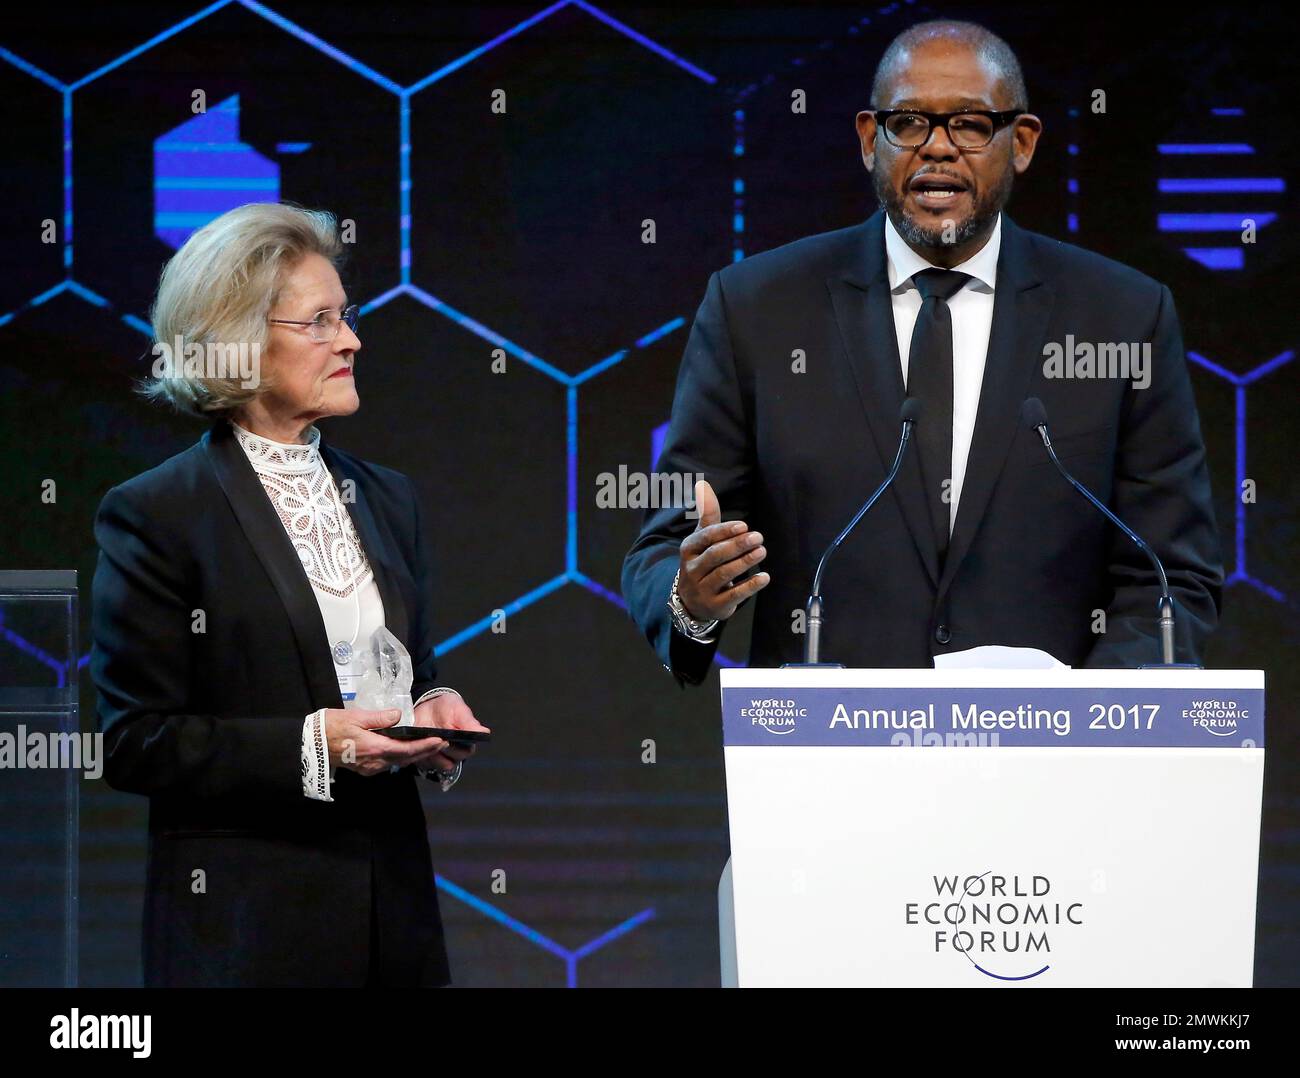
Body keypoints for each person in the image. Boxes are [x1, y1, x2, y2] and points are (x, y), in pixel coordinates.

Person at [622, 20, 1222, 681]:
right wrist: (692, 599)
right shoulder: (757, 307)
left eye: (969, 125)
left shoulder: (1123, 315)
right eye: (908, 124)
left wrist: (1084, 725)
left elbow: (1171, 577)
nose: (937, 150)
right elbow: (669, 545)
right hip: (829, 762)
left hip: (1047, 768)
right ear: (868, 140)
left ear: (1020, 143)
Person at [90, 201, 489, 986]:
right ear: (238, 342)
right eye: (319, 322)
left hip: (393, 916)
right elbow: (135, 741)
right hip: (248, 930)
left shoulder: (388, 498)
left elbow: (407, 663)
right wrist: (315, 746)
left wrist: (428, 705)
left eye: (348, 316)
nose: (351, 340)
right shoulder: (160, 513)